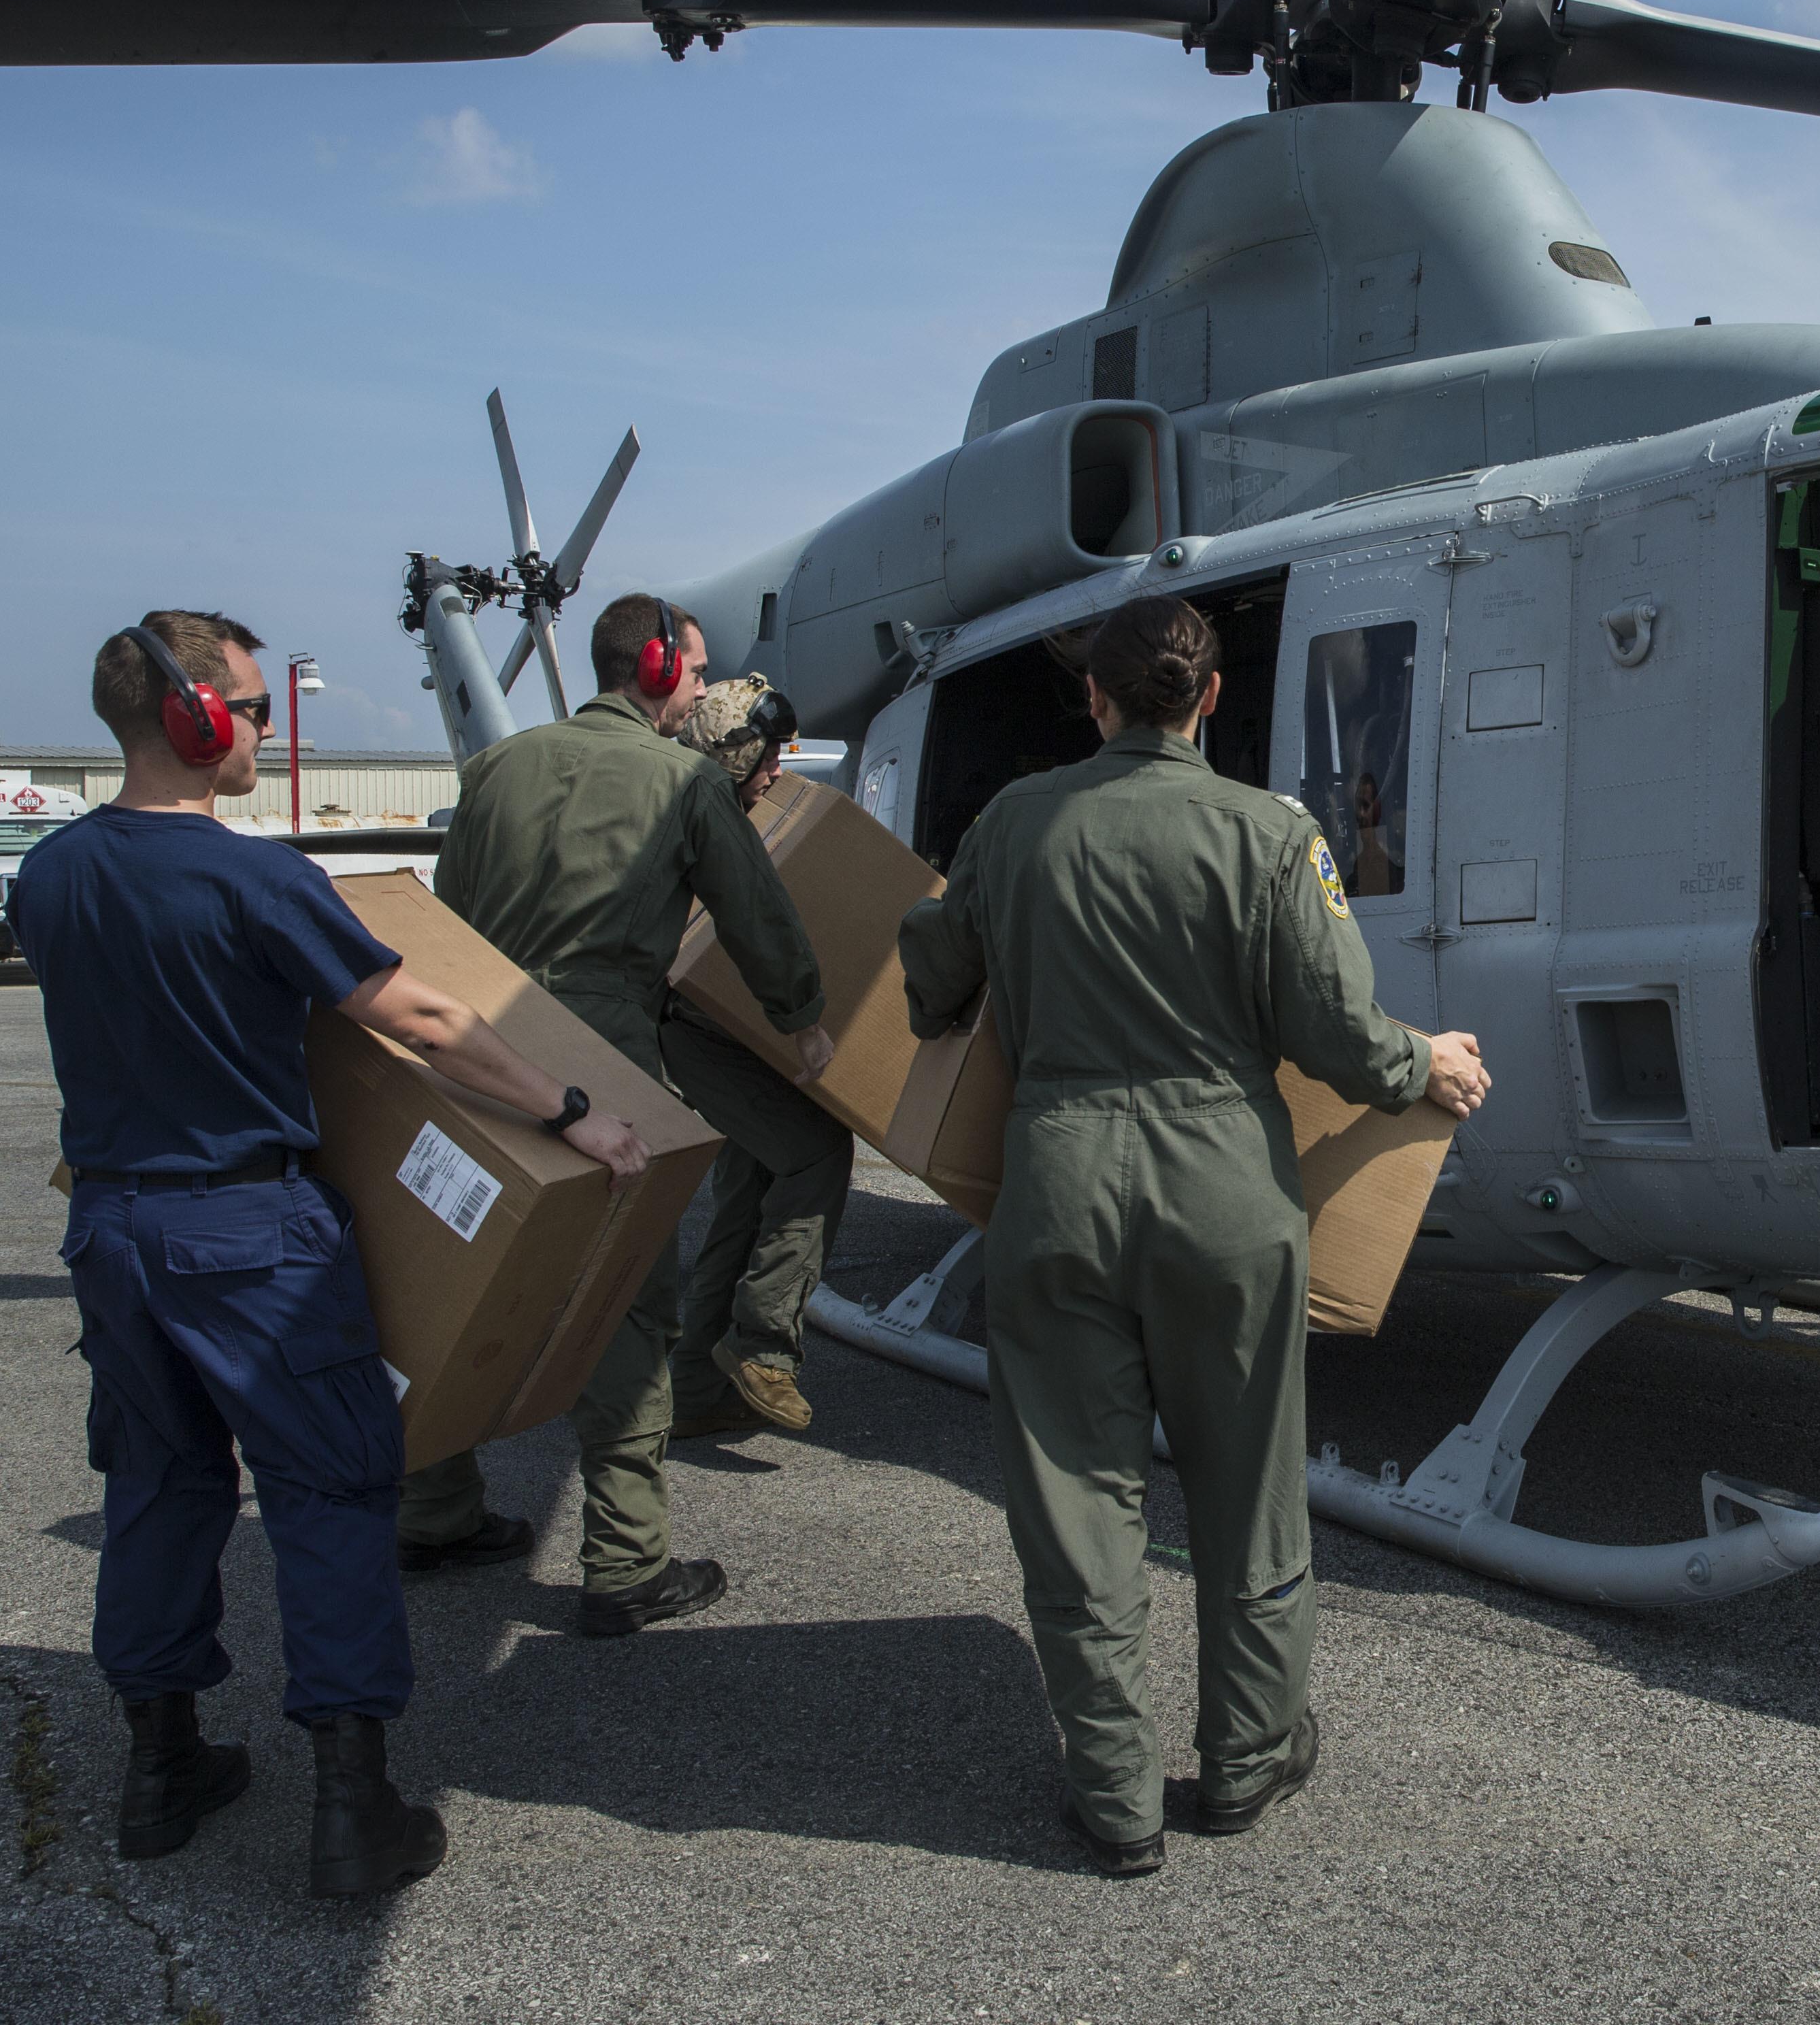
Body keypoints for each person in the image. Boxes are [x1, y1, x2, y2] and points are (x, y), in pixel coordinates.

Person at [14, 610, 650, 1897]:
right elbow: (414, 1014)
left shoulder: (49, 874)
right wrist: (571, 1110)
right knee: (327, 1494)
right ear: (194, 720)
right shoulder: (256, 880)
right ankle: (354, 1808)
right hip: (248, 1237)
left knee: (158, 1485)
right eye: (250, 710)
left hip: (114, 1229)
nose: (263, 729)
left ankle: (159, 1768)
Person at [897, 593, 1491, 1877]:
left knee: (1076, 1498)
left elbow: (929, 982)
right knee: (1246, 1489)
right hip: (1224, 1191)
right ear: (1211, 700)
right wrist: (1421, 1062)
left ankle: (1111, 1796)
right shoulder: (1270, 832)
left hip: (1054, 1184)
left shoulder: (1010, 824)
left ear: (1095, 700)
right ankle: (1246, 1756)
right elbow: (1334, 1030)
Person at [395, 595, 833, 1636]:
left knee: (461, 1274)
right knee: (629, 1300)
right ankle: (626, 1562)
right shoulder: (684, 779)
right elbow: (755, 916)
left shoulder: (493, 769)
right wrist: (803, 1018)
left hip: (482, 1048)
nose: (696, 686)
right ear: (658, 665)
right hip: (602, 1055)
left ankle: (433, 1508)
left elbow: (443, 921)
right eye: (692, 667)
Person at [660, 674, 857, 1440]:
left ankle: (695, 1387)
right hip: (696, 1023)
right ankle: (765, 1346)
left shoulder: (680, 792)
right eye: (769, 755)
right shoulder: (707, 802)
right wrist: (802, 1018)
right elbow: (756, 918)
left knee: (748, 1190)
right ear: (736, 752)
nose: (778, 773)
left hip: (704, 1023)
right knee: (813, 1152)